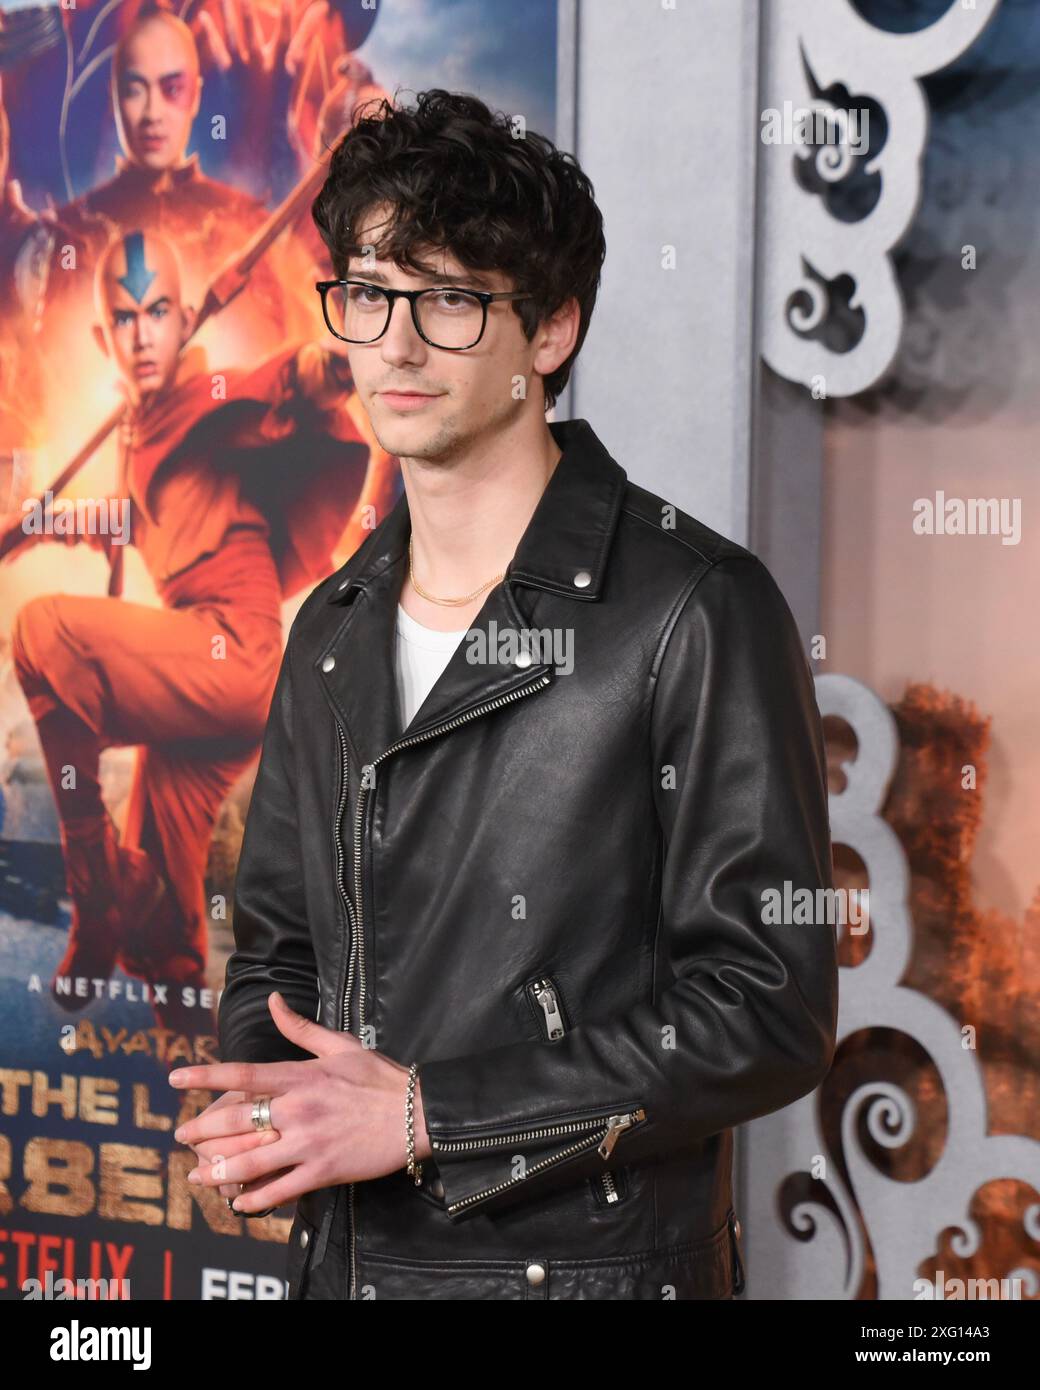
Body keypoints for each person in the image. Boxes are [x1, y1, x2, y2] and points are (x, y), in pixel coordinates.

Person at [174, 89, 839, 1300]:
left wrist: (429, 1114)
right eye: (367, 294)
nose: (395, 346)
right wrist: (265, 1108)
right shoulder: (330, 626)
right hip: (349, 1271)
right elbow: (278, 949)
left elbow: (765, 1009)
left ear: (550, 329)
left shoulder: (692, 609)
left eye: (449, 300)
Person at [5, 226, 389, 1031]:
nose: (144, 334)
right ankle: (189, 1047)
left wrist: (332, 359)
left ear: (186, 320)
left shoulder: (213, 402)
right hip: (207, 690)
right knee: (162, 919)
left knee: (43, 633)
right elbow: (122, 516)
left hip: (234, 659)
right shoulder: (143, 433)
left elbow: (287, 385)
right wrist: (34, 524)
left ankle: (96, 891)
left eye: (159, 312)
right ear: (106, 338)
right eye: (126, 317)